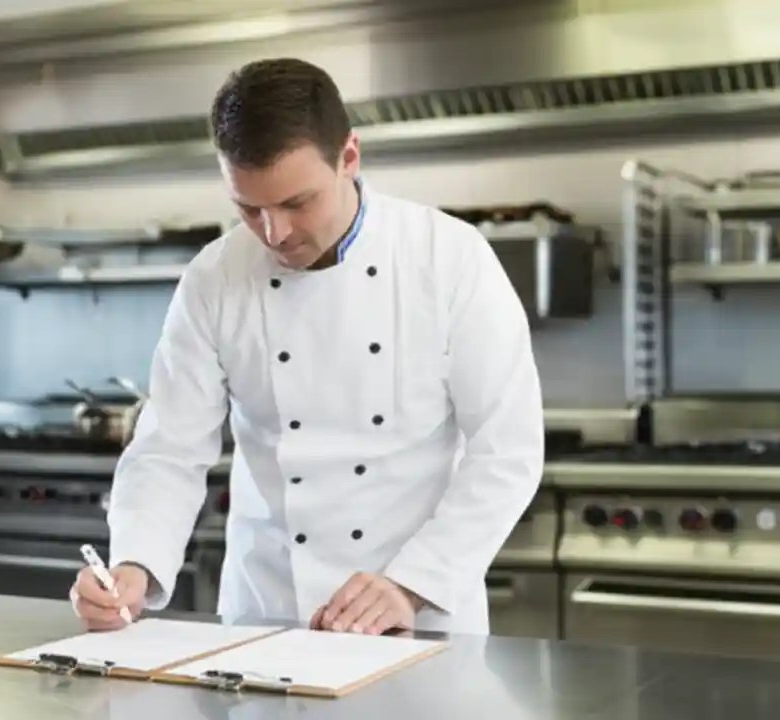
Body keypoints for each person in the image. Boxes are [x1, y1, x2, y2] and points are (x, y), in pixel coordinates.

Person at [70, 57, 544, 635]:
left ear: (349, 157)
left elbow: (507, 449)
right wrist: (134, 564)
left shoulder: (449, 258)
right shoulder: (215, 278)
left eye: (297, 203)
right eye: (249, 209)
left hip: (415, 616)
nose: (276, 233)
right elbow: (169, 447)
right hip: (266, 615)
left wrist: (412, 583)